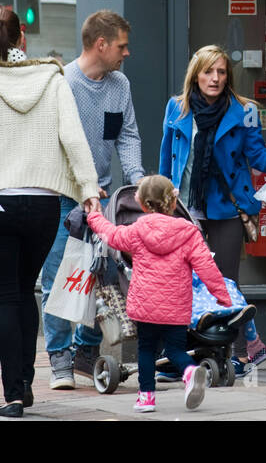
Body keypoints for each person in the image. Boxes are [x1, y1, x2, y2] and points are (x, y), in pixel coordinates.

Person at [0, 6, 100, 417]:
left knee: (4, 299)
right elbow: (74, 139)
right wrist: (89, 190)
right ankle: (29, 383)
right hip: (43, 204)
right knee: (26, 290)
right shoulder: (52, 80)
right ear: (22, 41)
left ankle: (13, 394)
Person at [159, 45, 266, 371]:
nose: (214, 79)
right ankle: (183, 354)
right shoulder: (177, 108)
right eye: (207, 71)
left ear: (228, 76)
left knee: (224, 282)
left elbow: (258, 157)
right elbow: (165, 161)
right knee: (180, 282)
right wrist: (160, 204)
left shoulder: (245, 110)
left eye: (221, 72)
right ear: (195, 75)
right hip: (185, 208)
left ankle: (241, 352)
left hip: (226, 209)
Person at [41, 10, 146, 389]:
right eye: (122, 45)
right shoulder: (61, 84)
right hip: (64, 198)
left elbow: (127, 137)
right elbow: (51, 146)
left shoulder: (120, 85)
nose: (126, 52)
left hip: (102, 201)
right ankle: (59, 357)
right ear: (101, 44)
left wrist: (138, 183)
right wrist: (81, 187)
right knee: (58, 278)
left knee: (101, 279)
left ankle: (85, 351)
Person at [85, 175, 231, 413]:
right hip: (177, 306)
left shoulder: (137, 230)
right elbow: (206, 266)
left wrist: (94, 216)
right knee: (175, 350)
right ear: (173, 203)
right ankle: (190, 371)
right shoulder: (189, 232)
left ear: (142, 205)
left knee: (145, 350)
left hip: (145, 305)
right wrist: (221, 294)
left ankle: (146, 398)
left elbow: (111, 235)